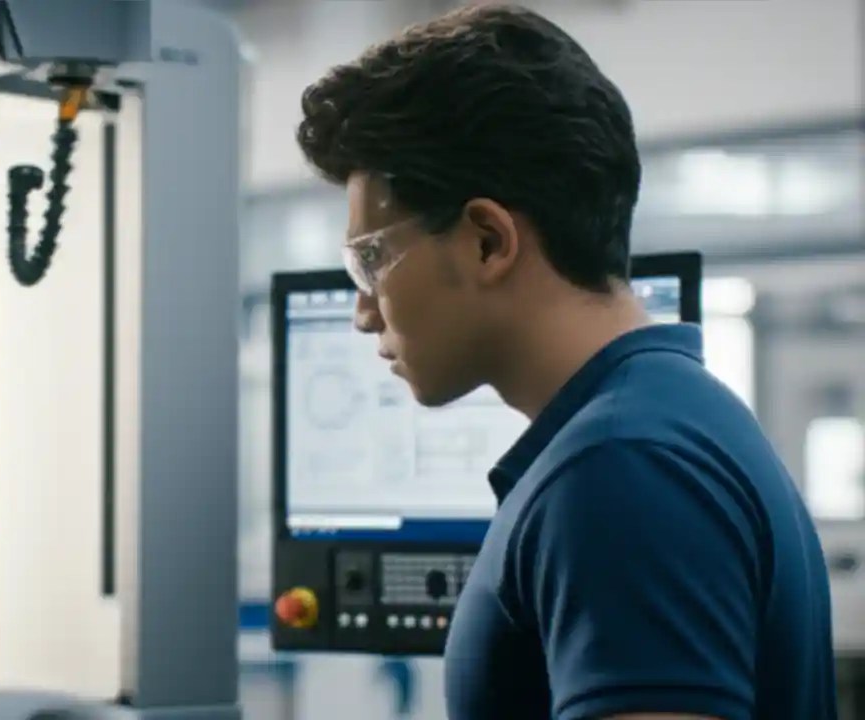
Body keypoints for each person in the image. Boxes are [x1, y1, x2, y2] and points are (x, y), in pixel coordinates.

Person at [295, 4, 837, 720]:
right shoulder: (657, 423)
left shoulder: (622, 470)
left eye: (371, 260)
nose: (364, 310)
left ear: (488, 240)